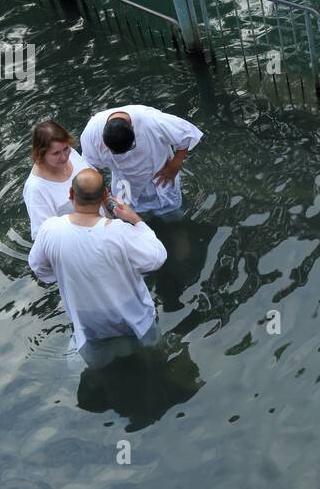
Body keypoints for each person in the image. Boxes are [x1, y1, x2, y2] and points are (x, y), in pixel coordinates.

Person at [28, 168, 168, 368]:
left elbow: (39, 269)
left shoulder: (50, 230)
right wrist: (136, 220)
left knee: (101, 371)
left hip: (88, 322)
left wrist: (65, 272)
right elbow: (156, 258)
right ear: (104, 195)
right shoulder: (119, 232)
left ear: (71, 194)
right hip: (132, 317)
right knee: (156, 360)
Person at [80, 105, 203, 218]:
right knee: (133, 225)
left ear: (133, 127)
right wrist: (102, 195)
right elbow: (90, 165)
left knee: (174, 222)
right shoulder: (92, 131)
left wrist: (175, 166)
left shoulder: (151, 120)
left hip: (160, 181)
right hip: (124, 187)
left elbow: (187, 134)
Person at [22, 120, 96, 239]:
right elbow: (44, 237)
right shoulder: (36, 188)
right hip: (80, 240)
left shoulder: (70, 153)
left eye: (66, 149)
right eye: (56, 153)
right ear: (41, 154)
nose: (64, 157)